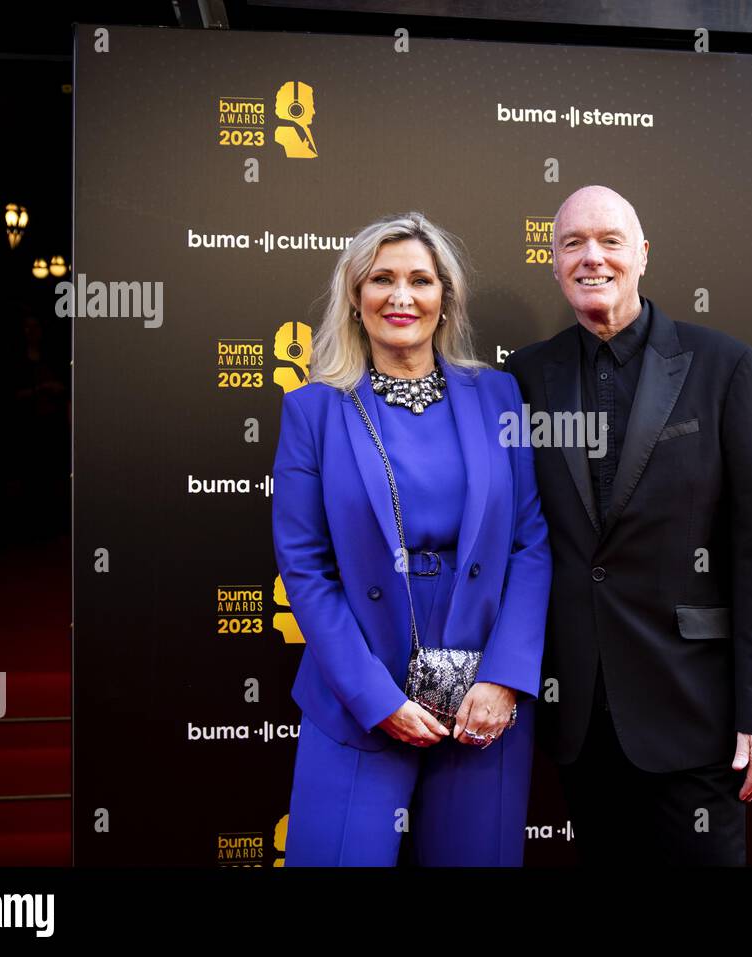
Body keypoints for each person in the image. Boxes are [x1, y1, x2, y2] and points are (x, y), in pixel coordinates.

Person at [505, 185, 752, 865]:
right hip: (580, 717)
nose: (591, 256)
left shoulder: (724, 366)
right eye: (572, 243)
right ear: (553, 265)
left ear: (642, 255)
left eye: (609, 240)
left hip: (695, 712)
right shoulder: (525, 376)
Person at [273, 212, 551, 866]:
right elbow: (305, 569)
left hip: (482, 709)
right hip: (355, 701)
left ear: (445, 298)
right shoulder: (313, 410)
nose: (402, 296)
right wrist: (376, 698)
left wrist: (506, 679)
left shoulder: (500, 397)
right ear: (354, 295)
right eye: (382, 279)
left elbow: (531, 544)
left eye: (421, 279)